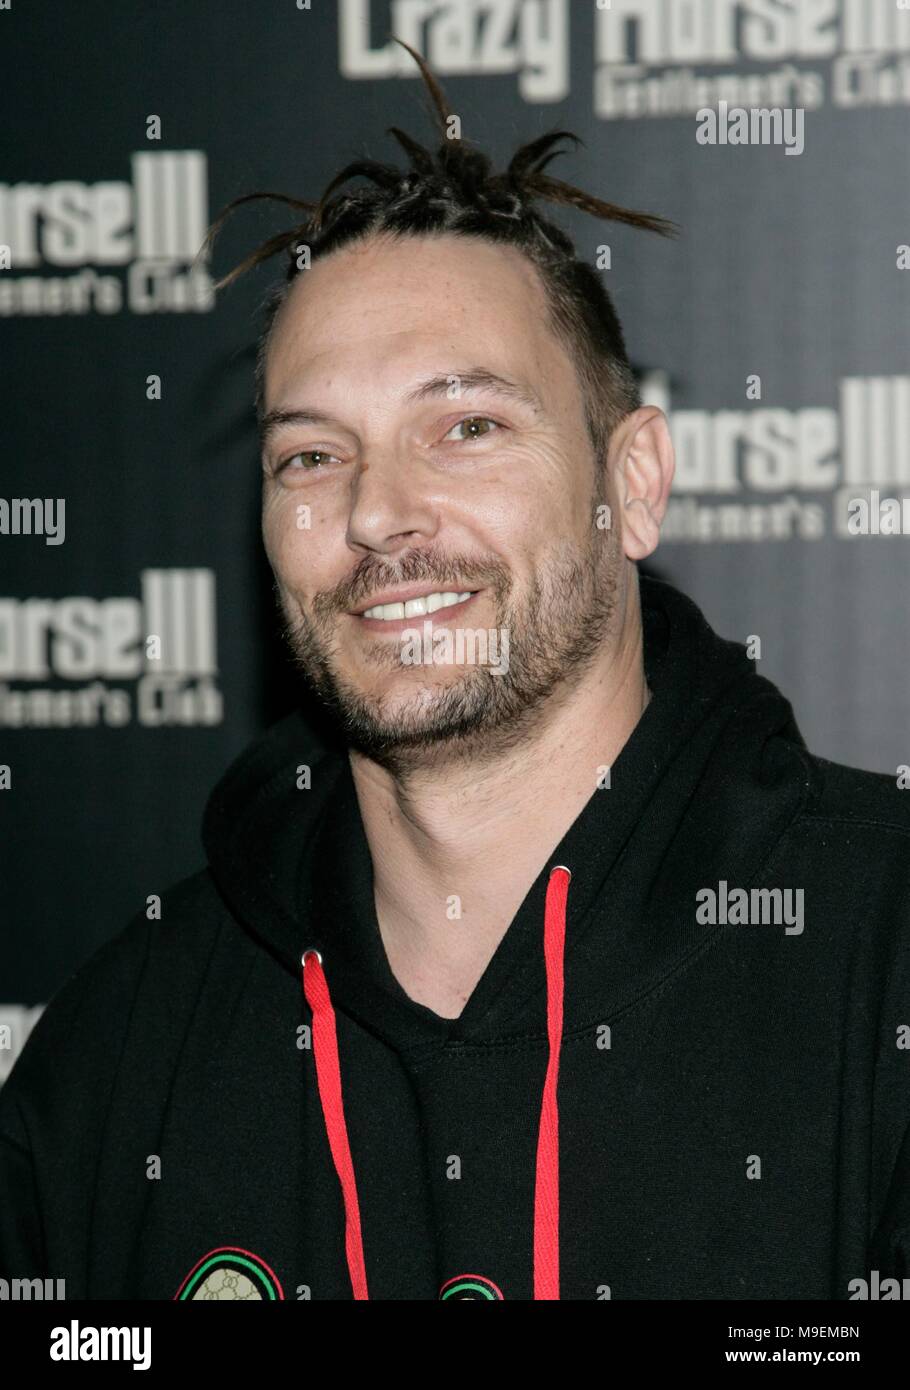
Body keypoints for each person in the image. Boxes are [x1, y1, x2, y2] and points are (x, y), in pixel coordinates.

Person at [1, 42, 908, 1302]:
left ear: (631, 483)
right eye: (311, 456)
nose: (379, 512)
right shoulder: (121, 1048)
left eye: (466, 425)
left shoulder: (883, 948)